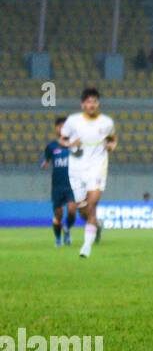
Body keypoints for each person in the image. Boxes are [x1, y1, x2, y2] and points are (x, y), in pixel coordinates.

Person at [60, 88, 118, 258]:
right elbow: (62, 139)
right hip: (76, 170)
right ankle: (97, 226)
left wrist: (111, 146)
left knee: (91, 205)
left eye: (94, 101)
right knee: (83, 210)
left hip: (97, 167)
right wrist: (70, 143)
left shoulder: (106, 122)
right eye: (88, 102)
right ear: (82, 104)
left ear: (98, 103)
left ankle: (86, 247)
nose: (91, 105)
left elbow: (113, 139)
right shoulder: (73, 121)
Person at [40, 116, 77, 246]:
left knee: (72, 210)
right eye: (59, 126)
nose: (62, 129)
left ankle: (67, 229)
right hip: (57, 186)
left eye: (64, 127)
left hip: (72, 185)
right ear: (56, 129)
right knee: (58, 215)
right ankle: (58, 238)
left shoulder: (73, 145)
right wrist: (44, 163)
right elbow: (44, 159)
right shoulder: (51, 146)